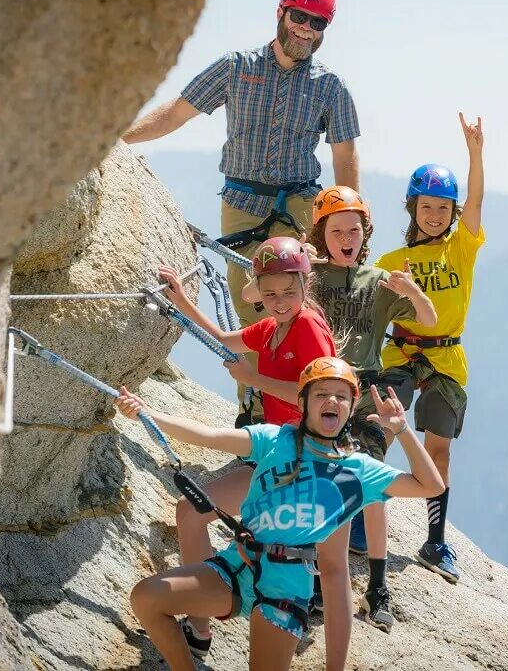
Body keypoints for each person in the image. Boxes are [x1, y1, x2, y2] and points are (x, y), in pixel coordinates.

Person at [122, 0, 360, 417]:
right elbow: (176, 113)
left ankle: (315, 413)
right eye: (299, 17)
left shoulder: (330, 87)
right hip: (243, 201)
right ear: (281, 13)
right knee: (252, 304)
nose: (306, 29)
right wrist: (114, 140)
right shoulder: (236, 67)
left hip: (301, 203)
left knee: (301, 306)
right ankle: (254, 409)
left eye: (318, 23)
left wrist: (348, 221)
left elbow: (345, 158)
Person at [116, 357, 444, 671]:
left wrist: (402, 431)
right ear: (303, 404)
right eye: (321, 393)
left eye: (341, 396)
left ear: (351, 408)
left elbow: (431, 485)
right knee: (147, 598)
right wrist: (148, 415)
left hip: (286, 588)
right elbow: (208, 436)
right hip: (236, 566)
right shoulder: (275, 439)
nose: (332, 400)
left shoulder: (358, 470)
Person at [156, 236, 338, 656]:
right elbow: (225, 337)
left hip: (304, 460)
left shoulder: (308, 327)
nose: (278, 301)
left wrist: (253, 380)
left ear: (305, 287)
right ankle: (200, 628)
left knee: (217, 524)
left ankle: (258, 620)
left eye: (289, 292)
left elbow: (324, 396)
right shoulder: (274, 327)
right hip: (277, 451)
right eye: (270, 293)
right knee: (191, 512)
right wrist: (181, 300)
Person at [304, 184, 437, 630]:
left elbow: (429, 319)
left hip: (367, 393)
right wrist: (295, 261)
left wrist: (413, 292)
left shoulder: (378, 283)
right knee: (325, 475)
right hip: (322, 389)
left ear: (366, 233)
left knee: (372, 480)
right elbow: (255, 297)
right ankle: (320, 579)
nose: (347, 238)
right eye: (337, 230)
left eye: (354, 230)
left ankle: (377, 587)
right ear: (322, 235)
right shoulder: (311, 276)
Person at [373, 113, 485, 584]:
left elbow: (477, 201)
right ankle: (362, 524)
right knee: (374, 435)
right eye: (427, 206)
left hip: (445, 358)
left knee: (438, 452)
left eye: (443, 208)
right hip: (400, 353)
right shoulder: (391, 262)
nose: (435, 215)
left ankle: (435, 541)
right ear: (412, 208)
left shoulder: (460, 247)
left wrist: (476, 153)